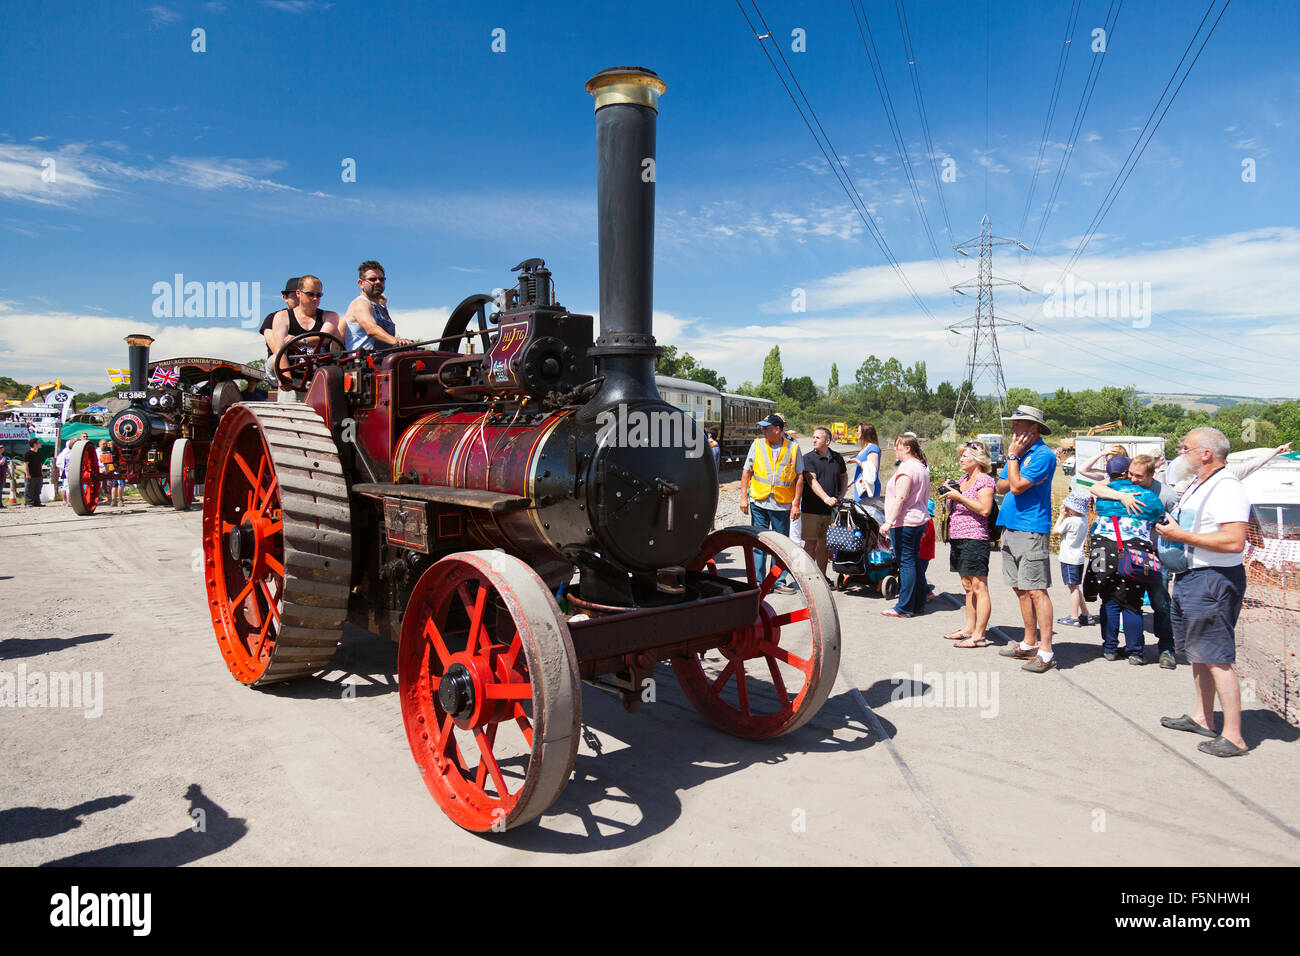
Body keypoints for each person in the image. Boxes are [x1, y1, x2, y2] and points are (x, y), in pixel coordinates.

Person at [1155, 428, 1252, 757]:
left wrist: (1181, 536)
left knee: (1216, 656)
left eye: (1186, 448)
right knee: (1198, 652)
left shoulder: (1227, 488)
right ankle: (1203, 717)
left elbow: (1234, 540)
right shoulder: (1200, 484)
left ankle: (1234, 736)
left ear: (1206, 454)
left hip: (1213, 579)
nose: (1181, 453)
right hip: (1193, 576)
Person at [1091, 453, 1178, 668]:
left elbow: (1095, 493)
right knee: (1132, 603)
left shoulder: (1108, 494)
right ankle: (1135, 652)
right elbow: (1162, 516)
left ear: (1151, 474)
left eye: (1138, 475)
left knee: (1110, 600)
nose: (1133, 478)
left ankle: (1110, 648)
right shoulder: (1151, 499)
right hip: (1138, 553)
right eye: (1130, 474)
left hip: (1105, 549)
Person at [994, 405, 1059, 672]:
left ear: (1033, 428)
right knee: (1020, 588)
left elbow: (1017, 487)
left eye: (1017, 424)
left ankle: (1046, 651)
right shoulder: (1019, 456)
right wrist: (1014, 462)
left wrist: (1013, 457)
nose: (1012, 428)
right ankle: (1029, 642)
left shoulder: (1042, 455)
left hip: (1031, 528)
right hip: (1011, 526)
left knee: (1036, 589)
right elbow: (1000, 486)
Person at [938, 440, 996, 647]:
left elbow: (984, 509)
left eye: (965, 455)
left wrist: (959, 497)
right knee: (967, 586)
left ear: (978, 459)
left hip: (975, 538)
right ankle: (969, 628)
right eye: (961, 455)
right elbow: (954, 505)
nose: (961, 459)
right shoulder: (963, 479)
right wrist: (949, 492)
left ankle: (979, 635)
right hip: (958, 537)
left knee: (979, 587)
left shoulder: (985, 481)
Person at [739, 412, 803, 594]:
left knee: (780, 546)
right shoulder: (757, 444)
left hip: (782, 504)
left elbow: (799, 477)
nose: (763, 430)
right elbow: (746, 472)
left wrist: (796, 503)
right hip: (759, 501)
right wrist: (744, 497)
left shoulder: (793, 448)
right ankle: (758, 582)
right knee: (758, 544)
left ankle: (777, 581)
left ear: (778, 430)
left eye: (766, 428)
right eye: (762, 427)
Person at [880, 434, 930, 618]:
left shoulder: (907, 469)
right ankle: (918, 602)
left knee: (906, 563)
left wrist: (888, 522)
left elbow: (900, 498)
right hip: (917, 520)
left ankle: (904, 606)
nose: (895, 450)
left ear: (907, 448)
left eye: (897, 446)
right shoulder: (921, 467)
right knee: (914, 561)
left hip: (905, 522)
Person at [800, 427, 848, 580]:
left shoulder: (837, 457)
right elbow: (811, 480)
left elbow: (844, 476)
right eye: (813, 437)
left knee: (825, 545)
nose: (813, 440)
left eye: (817, 438)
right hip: (812, 509)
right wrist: (826, 498)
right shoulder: (808, 458)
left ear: (827, 441)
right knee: (810, 544)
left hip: (831, 510)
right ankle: (808, 577)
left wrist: (841, 495)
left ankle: (821, 576)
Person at [344, 261, 414, 351]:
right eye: (372, 279)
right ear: (361, 283)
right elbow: (372, 329)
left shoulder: (382, 308)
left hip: (384, 360)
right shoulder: (361, 303)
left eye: (381, 279)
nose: (378, 282)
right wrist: (398, 341)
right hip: (363, 362)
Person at [1053, 491, 1094, 628]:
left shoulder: (1070, 521)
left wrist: (1061, 516)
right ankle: (1085, 614)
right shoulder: (1084, 519)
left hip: (1069, 558)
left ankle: (1074, 617)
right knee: (1075, 586)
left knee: (1073, 588)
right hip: (1078, 558)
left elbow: (1055, 531)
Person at [260, 278, 300, 356]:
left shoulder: (319, 318)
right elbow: (276, 349)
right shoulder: (272, 318)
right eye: (295, 296)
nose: (299, 299)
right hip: (279, 362)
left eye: (302, 295)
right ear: (285, 298)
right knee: (275, 358)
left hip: (311, 362)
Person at [850, 422, 882, 501]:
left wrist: (857, 461)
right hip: (861, 486)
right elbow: (860, 471)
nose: (856, 433)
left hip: (867, 488)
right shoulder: (864, 448)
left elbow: (872, 470)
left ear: (864, 433)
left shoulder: (872, 448)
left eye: (858, 430)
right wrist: (849, 483)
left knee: (866, 510)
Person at [23, 438, 44, 507]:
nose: (40, 444)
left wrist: (41, 473)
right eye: (39, 443)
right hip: (31, 474)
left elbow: (40, 464)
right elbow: (26, 464)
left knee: (37, 489)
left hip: (38, 474)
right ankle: (29, 502)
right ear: (35, 444)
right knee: (29, 489)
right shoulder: (28, 454)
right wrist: (27, 473)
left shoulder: (39, 454)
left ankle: (37, 502)